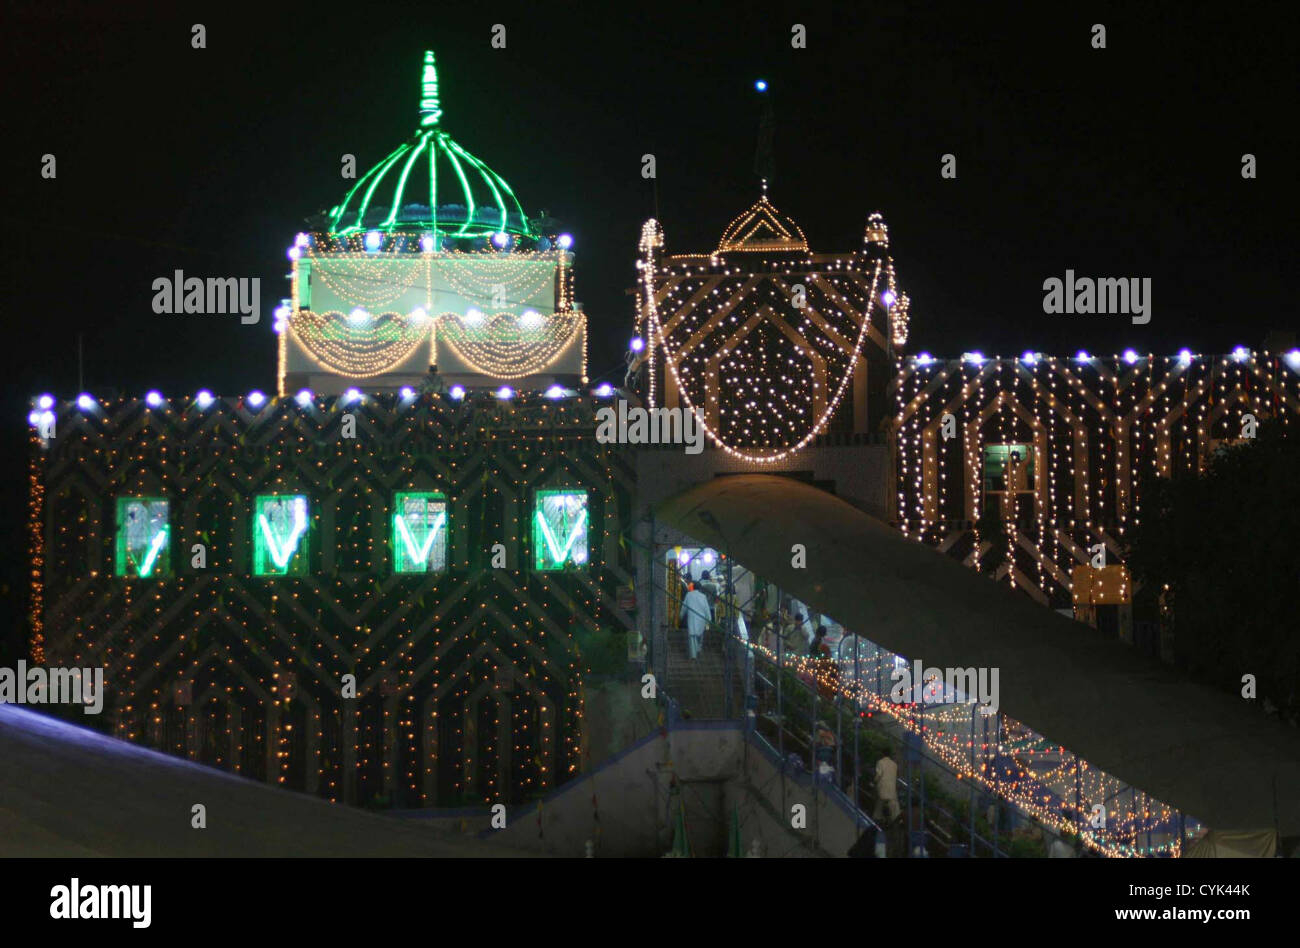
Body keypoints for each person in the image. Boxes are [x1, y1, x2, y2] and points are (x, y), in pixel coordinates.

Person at [680, 582, 711, 660]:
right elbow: (706, 608)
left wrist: (681, 615)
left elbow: (684, 607)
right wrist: (709, 618)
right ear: (700, 588)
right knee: (700, 635)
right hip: (701, 618)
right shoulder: (703, 596)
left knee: (692, 636)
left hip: (692, 617)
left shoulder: (689, 595)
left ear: (693, 587)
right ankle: (698, 649)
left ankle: (693, 655)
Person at [873, 748, 901, 823]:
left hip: (882, 790)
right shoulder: (894, 765)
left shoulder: (880, 762)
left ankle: (877, 818)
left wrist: (874, 781)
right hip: (892, 791)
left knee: (879, 804)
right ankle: (895, 820)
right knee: (894, 807)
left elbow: (878, 775)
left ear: (882, 754)